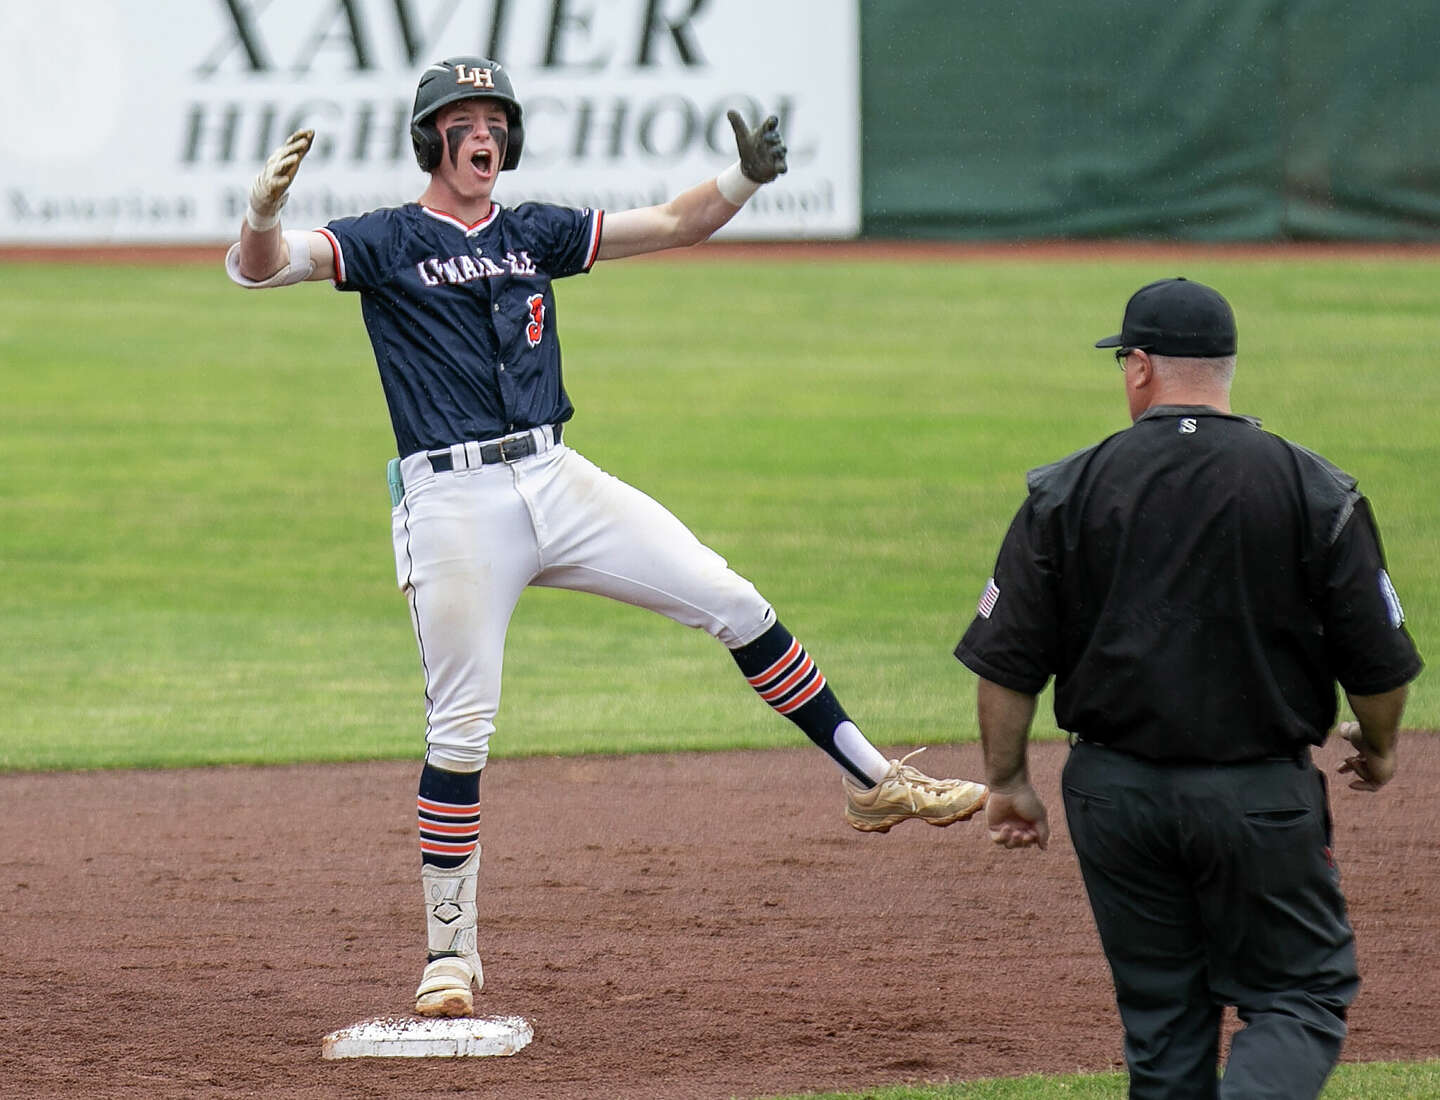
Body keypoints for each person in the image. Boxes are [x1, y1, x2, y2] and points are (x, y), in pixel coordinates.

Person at [225, 56, 987, 1018]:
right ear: (432, 140)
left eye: (495, 117)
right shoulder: (383, 239)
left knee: (734, 601)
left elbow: (677, 223)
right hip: (453, 503)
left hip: (556, 474)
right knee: (462, 728)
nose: (483, 133)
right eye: (463, 120)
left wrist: (747, 178)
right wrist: (259, 213)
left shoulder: (533, 229)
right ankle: (449, 958)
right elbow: (259, 271)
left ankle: (874, 780)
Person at [952, 277, 1422, 1098]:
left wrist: (1007, 782)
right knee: (1297, 993)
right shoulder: (1317, 490)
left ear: (1139, 368)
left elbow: (1006, 662)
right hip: (1260, 799)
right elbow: (1380, 664)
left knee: (1164, 1023)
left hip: (1115, 797)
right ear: (1225, 368)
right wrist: (1377, 749)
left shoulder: (1066, 489)